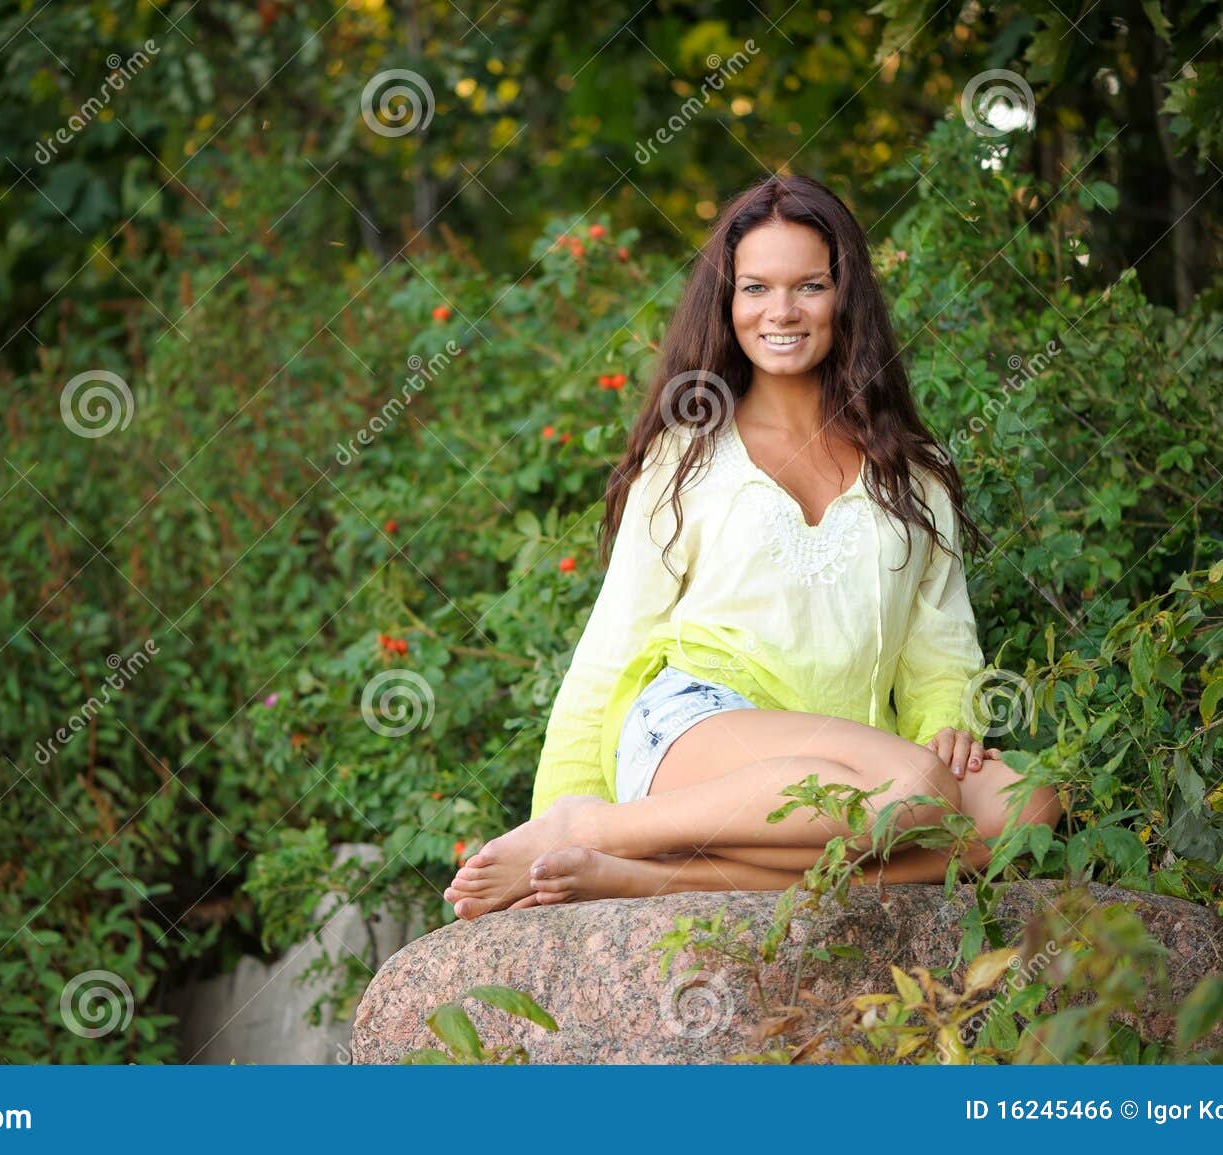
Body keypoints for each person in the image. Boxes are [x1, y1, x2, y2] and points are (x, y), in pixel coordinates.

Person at [444, 174, 1061, 920]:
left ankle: (654, 875)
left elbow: (941, 645)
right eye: (755, 287)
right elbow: (610, 646)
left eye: (809, 285)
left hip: (864, 769)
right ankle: (596, 830)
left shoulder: (916, 473)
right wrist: (558, 813)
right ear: (727, 302)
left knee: (1027, 803)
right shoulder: (687, 455)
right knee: (920, 789)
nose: (781, 311)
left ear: (847, 297)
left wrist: (944, 733)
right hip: (697, 730)